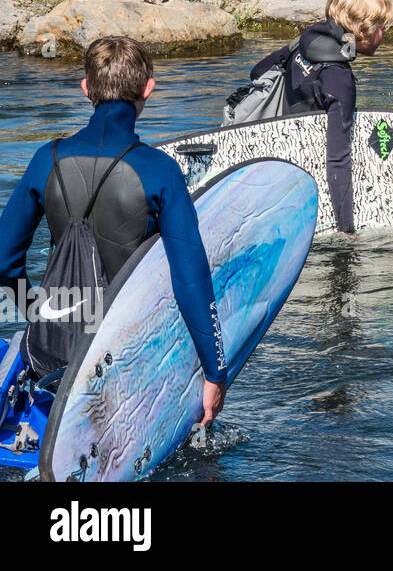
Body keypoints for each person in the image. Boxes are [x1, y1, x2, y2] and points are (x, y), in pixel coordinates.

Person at [0, 36, 228, 425]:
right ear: (148, 89)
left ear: (86, 88)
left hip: (57, 354)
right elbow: (191, 281)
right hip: (130, 353)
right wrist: (214, 372)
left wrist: (40, 312)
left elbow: (3, 262)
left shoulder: (46, 159)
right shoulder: (159, 170)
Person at [249, 0, 393, 236]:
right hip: (309, 172)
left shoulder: (306, 42)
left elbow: (258, 73)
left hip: (284, 154)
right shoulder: (338, 79)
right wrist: (346, 230)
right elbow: (338, 160)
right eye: (381, 27)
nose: (384, 34)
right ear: (363, 30)